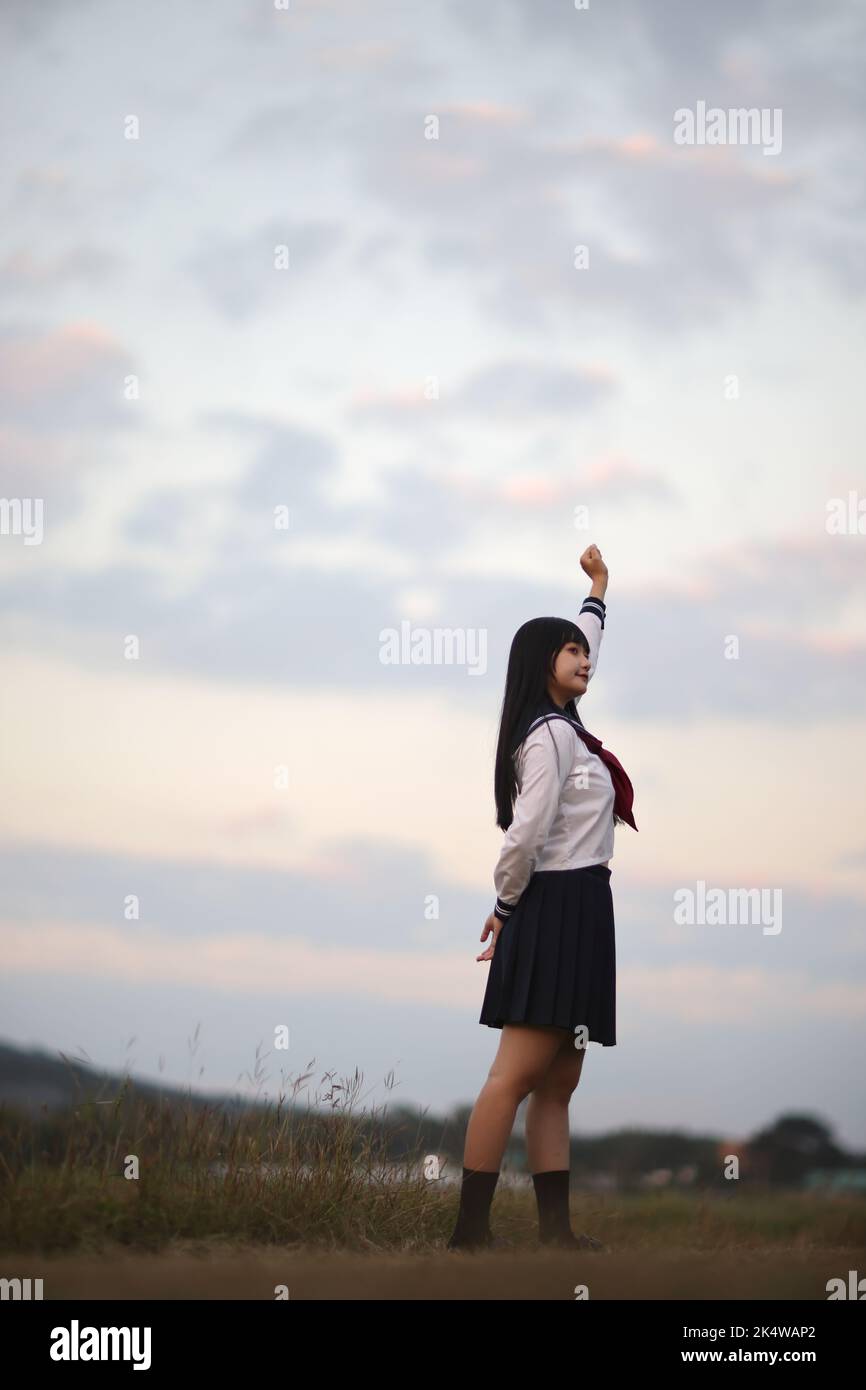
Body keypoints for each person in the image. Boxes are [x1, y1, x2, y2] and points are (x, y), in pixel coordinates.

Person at [446, 544, 637, 1251]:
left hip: (586, 908)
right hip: (553, 905)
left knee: (561, 1083)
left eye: (582, 650)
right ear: (541, 663)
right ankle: (470, 1233)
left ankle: (556, 1236)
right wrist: (504, 906)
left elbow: (588, 644)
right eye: (568, 652)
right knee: (515, 1077)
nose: (583, 659)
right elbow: (525, 838)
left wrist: (599, 590)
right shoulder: (551, 737)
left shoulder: (569, 727)